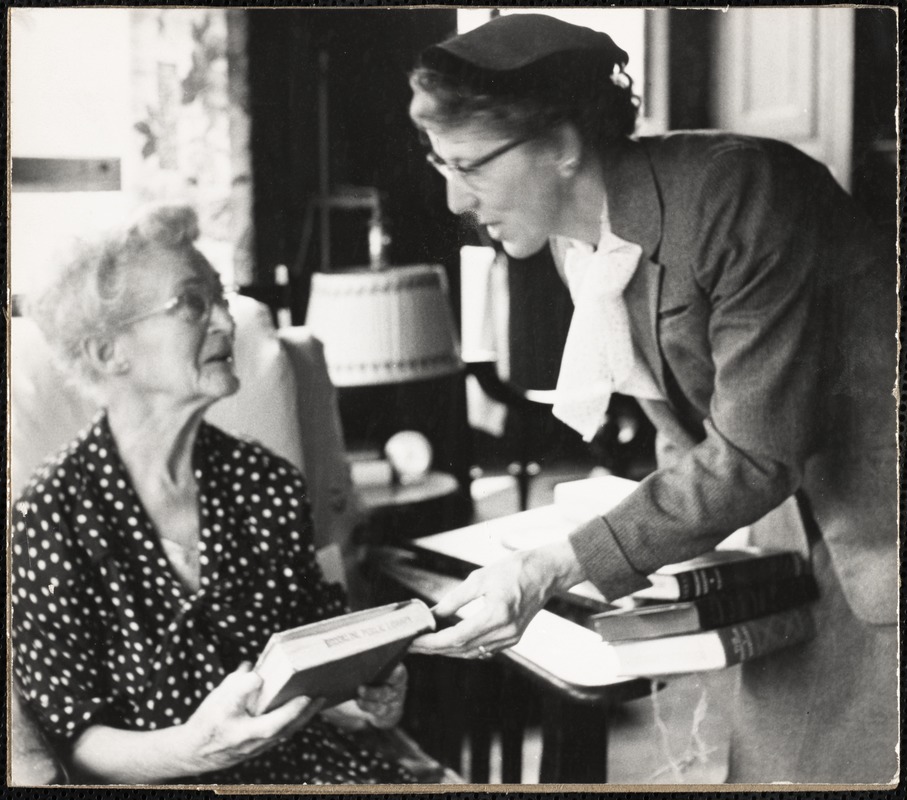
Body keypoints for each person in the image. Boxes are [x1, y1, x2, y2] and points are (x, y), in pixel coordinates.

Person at [407, 13, 897, 784]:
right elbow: (687, 435)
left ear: (563, 146)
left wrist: (551, 567)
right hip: (789, 550)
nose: (452, 201)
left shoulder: (737, 192)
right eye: (438, 162)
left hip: (879, 542)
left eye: (469, 166)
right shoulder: (584, 253)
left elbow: (751, 454)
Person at [11, 204, 417, 785]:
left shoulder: (266, 482)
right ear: (108, 353)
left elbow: (309, 660)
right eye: (193, 304)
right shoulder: (51, 516)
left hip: (305, 769)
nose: (226, 322)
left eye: (221, 298)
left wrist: (365, 692)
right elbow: (74, 735)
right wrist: (194, 751)